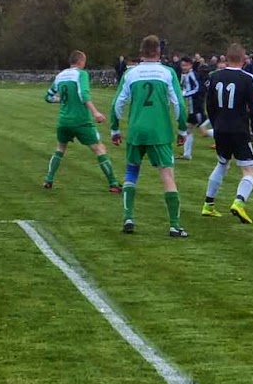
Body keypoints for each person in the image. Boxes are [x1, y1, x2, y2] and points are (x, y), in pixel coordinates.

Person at [111, 35, 189, 237]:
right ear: (159, 52)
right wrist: (182, 130)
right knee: (166, 175)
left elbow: (117, 104)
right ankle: (174, 225)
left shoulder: (131, 73)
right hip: (159, 131)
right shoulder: (167, 72)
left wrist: (115, 129)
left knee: (131, 172)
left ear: (141, 52)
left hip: (137, 130)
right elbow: (179, 105)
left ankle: (128, 217)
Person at [43, 51, 120, 193]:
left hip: (64, 120)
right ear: (81, 61)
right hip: (81, 121)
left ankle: (49, 179)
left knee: (60, 149)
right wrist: (95, 112)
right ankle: (113, 183)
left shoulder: (60, 76)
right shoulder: (81, 74)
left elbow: (48, 97)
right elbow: (83, 94)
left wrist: (60, 100)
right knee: (99, 149)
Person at [200, 43, 253, 224]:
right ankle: (239, 202)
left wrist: (217, 124)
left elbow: (209, 105)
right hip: (239, 129)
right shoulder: (248, 78)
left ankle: (208, 205)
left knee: (222, 164)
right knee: (249, 170)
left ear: (226, 58)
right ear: (243, 59)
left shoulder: (215, 76)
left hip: (221, 128)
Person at [176, 57, 214, 160]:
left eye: (185, 65)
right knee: (188, 129)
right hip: (192, 109)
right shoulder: (186, 75)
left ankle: (223, 135)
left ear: (190, 65)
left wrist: (186, 94)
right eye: (182, 65)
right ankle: (187, 155)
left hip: (197, 108)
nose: (183, 67)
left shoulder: (192, 75)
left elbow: (199, 88)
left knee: (203, 132)